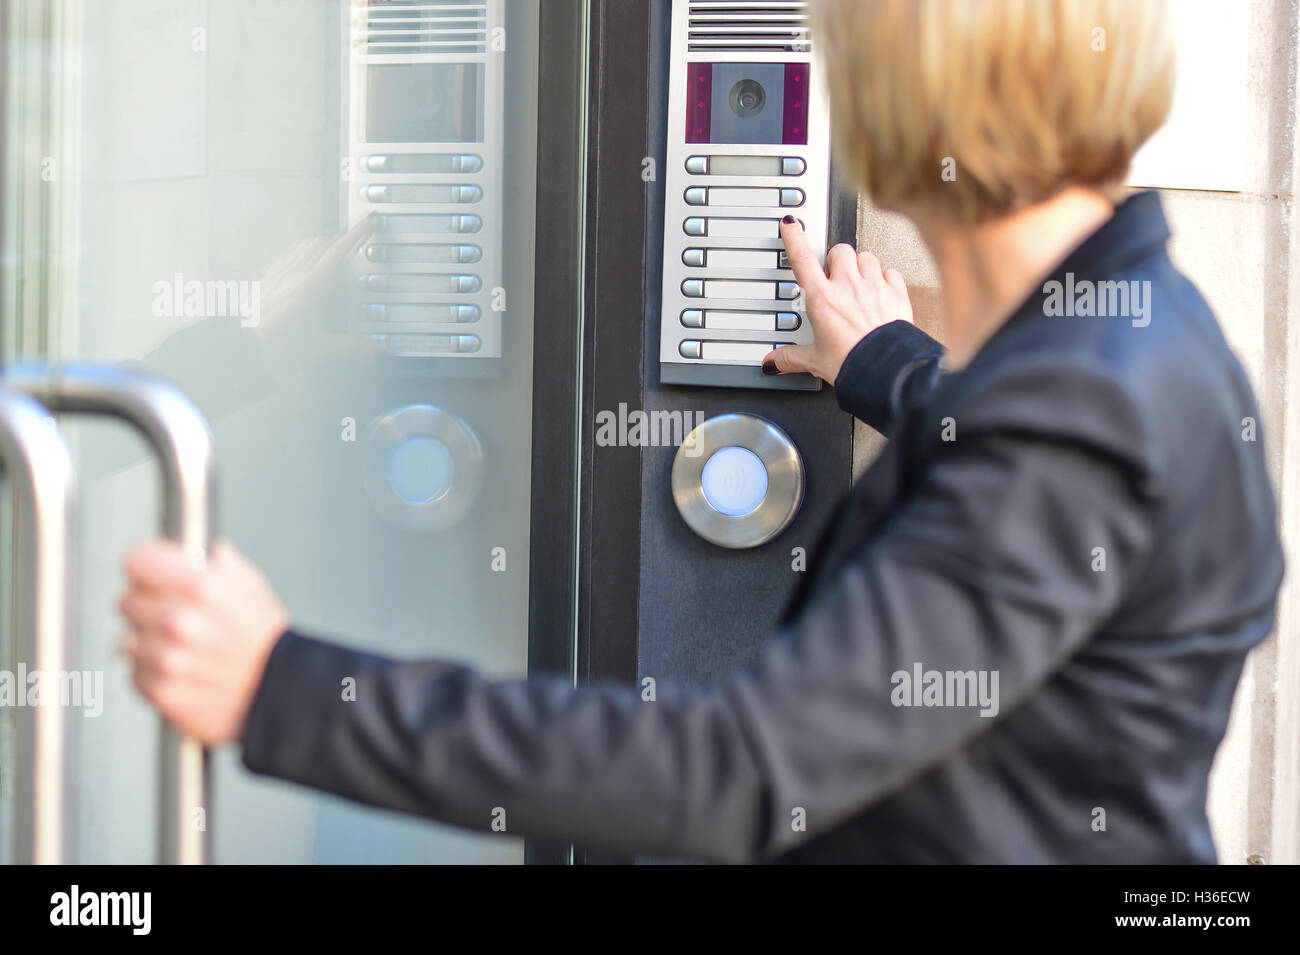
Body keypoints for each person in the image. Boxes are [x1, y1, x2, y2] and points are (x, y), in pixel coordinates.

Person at [119, 0, 1284, 863]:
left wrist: (284, 687)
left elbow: (738, 774)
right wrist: (886, 367)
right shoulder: (1138, 342)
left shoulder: (1071, 410)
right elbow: (1022, 511)